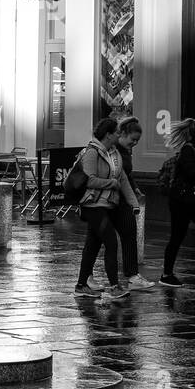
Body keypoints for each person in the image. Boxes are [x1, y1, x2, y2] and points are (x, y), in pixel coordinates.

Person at [72, 118, 138, 301]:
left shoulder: (114, 152)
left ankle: (81, 286)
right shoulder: (92, 152)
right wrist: (111, 183)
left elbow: (123, 180)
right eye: (117, 132)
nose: (119, 134)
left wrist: (134, 203)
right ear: (108, 135)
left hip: (106, 205)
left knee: (92, 246)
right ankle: (115, 287)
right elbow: (89, 179)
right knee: (111, 242)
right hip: (92, 205)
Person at [160, 118, 195, 286]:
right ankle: (166, 274)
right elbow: (193, 174)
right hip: (181, 201)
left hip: (194, 201)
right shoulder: (188, 150)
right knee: (178, 236)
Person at [110, 116, 154, 290]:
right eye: (133, 139)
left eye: (137, 140)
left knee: (128, 234)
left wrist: (134, 188)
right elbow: (120, 175)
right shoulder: (115, 150)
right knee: (102, 238)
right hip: (114, 199)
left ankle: (132, 275)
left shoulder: (124, 151)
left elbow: (127, 175)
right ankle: (87, 278)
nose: (135, 143)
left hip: (121, 199)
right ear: (123, 134)